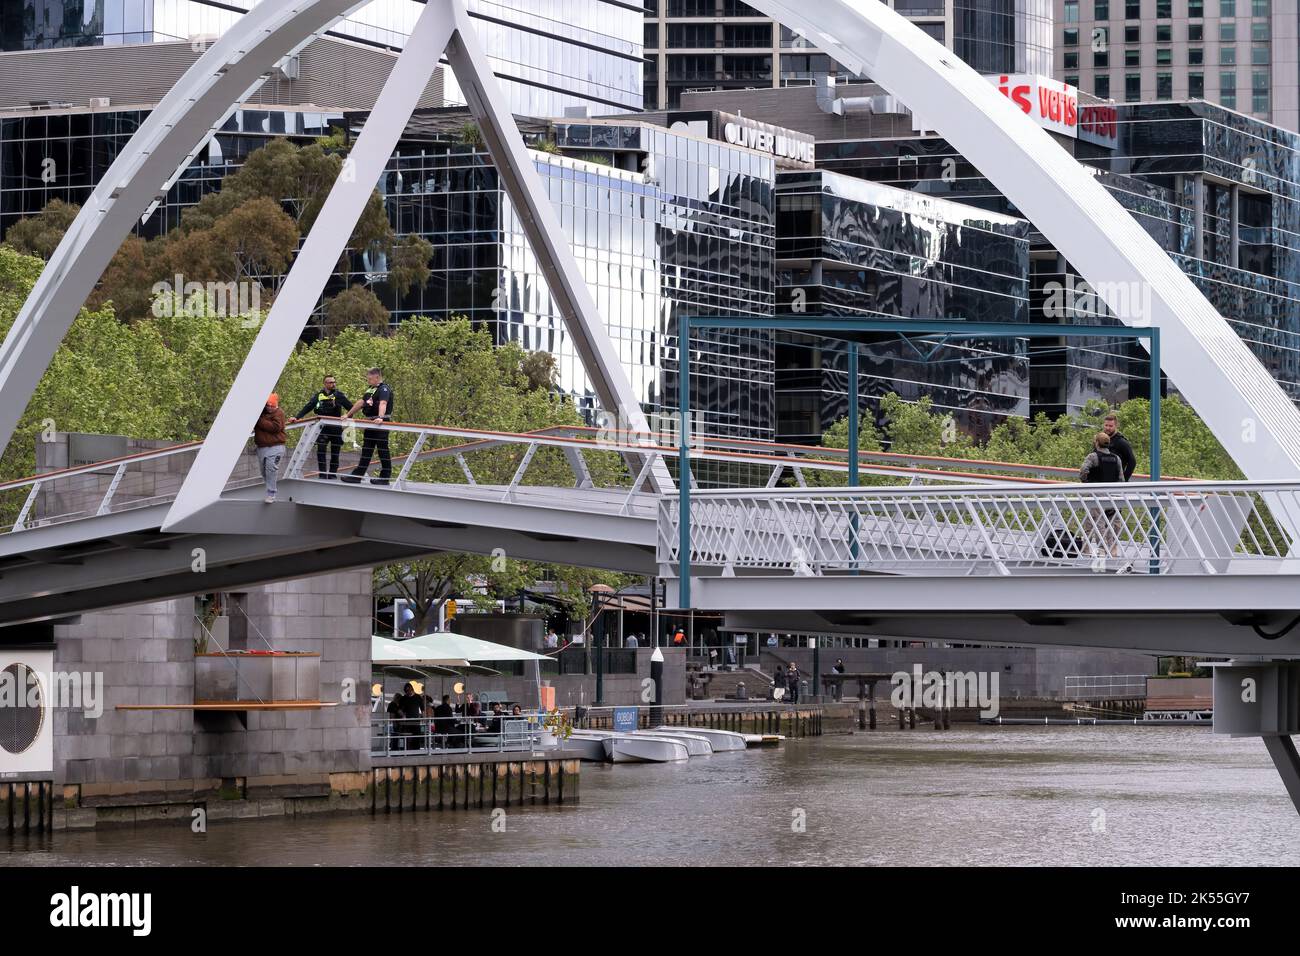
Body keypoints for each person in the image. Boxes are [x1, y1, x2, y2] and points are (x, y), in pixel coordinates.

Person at [1080, 431, 1129, 569]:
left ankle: (1092, 552)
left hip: (1096, 495)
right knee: (1111, 524)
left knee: (1095, 523)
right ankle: (1112, 551)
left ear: (1096, 443)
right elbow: (1121, 479)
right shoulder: (1116, 458)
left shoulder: (1093, 457)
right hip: (1112, 496)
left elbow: (1083, 471)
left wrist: (1087, 482)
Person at [290, 374, 352, 479]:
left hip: (336, 428)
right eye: (331, 382)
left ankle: (332, 475)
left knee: (335, 453)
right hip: (323, 429)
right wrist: (297, 417)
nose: (333, 384)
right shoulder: (318, 395)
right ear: (325, 384)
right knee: (321, 451)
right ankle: (322, 474)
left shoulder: (339, 395)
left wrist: (347, 417)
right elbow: (308, 406)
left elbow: (351, 407)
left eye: (334, 382)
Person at [342, 367, 394, 486]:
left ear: (377, 377)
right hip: (370, 423)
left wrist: (380, 417)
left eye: (370, 379)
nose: (368, 381)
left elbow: (383, 403)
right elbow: (361, 402)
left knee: (382, 450)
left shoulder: (384, 389)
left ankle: (384, 478)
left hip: (381, 423)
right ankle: (357, 476)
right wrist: (348, 414)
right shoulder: (371, 389)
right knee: (367, 450)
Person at [254, 394, 287, 504]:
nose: (270, 408)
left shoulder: (279, 413)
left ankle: (271, 493)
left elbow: (275, 427)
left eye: (272, 406)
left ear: (276, 405)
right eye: (268, 405)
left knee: (271, 469)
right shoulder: (262, 412)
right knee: (264, 471)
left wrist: (258, 420)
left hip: (276, 447)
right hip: (262, 447)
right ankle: (269, 490)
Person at [1102, 412, 1137, 482]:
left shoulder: (1121, 442)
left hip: (1116, 483)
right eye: (1106, 425)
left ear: (1116, 426)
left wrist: (1124, 479)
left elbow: (1132, 461)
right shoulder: (1100, 440)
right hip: (1101, 481)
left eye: (1110, 426)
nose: (1108, 428)